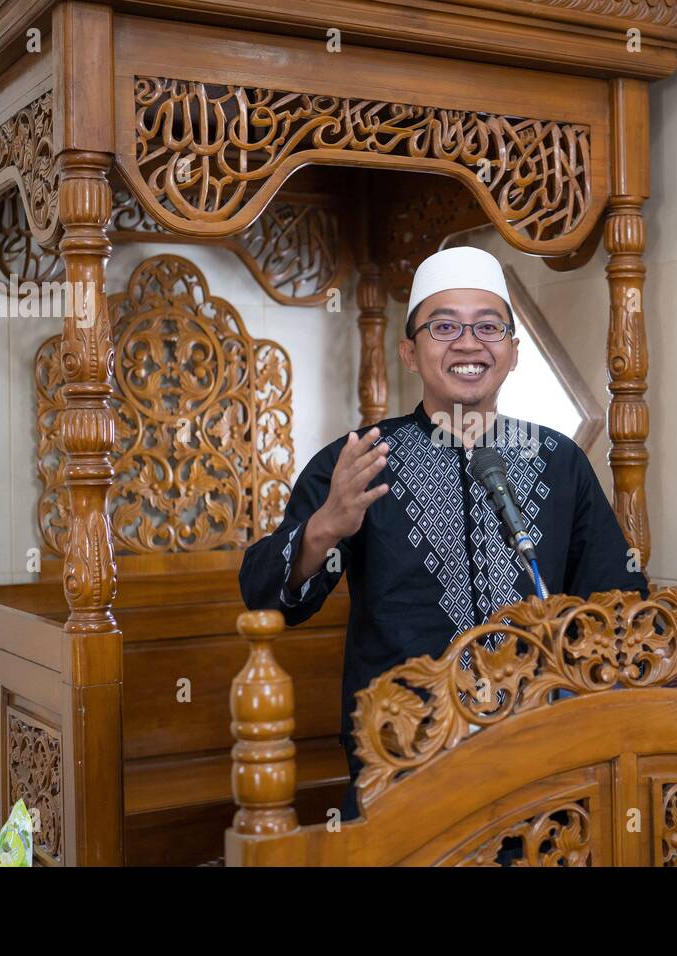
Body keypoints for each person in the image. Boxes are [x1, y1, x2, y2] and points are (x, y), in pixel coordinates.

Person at [239, 245, 649, 821]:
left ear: (512, 352)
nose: (468, 343)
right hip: (402, 761)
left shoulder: (559, 461)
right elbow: (263, 595)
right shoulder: (359, 462)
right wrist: (324, 527)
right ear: (410, 352)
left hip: (542, 762)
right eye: (444, 326)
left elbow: (620, 602)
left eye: (488, 327)